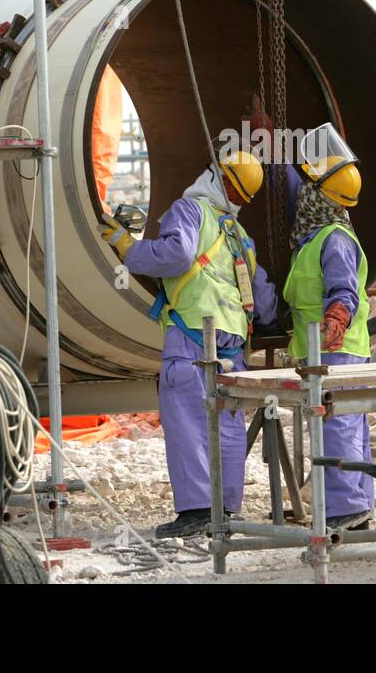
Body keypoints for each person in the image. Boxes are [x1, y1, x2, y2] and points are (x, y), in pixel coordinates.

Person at [100, 151, 279, 539]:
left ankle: (198, 511)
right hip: (232, 346)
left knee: (189, 423)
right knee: (226, 423)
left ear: (214, 175)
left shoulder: (191, 209)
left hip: (193, 336)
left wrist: (127, 248)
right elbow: (264, 301)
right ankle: (225, 509)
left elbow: (176, 254)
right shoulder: (239, 236)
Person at [282, 123, 374, 531]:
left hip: (338, 349)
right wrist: (279, 154)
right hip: (328, 350)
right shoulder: (319, 232)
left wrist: (336, 316)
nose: (302, 190)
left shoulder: (333, 240)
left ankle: (347, 509)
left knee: (338, 428)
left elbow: (344, 290)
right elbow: (297, 185)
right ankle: (357, 507)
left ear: (316, 196)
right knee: (347, 426)